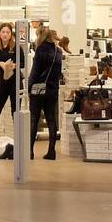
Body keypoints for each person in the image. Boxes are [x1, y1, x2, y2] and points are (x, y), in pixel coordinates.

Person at [27, 27, 64, 160]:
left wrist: (29, 87)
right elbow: (59, 73)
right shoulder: (58, 51)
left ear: (41, 36)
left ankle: (30, 152)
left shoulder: (40, 50)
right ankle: (51, 151)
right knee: (51, 119)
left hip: (38, 90)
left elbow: (35, 72)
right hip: (52, 90)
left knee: (34, 120)